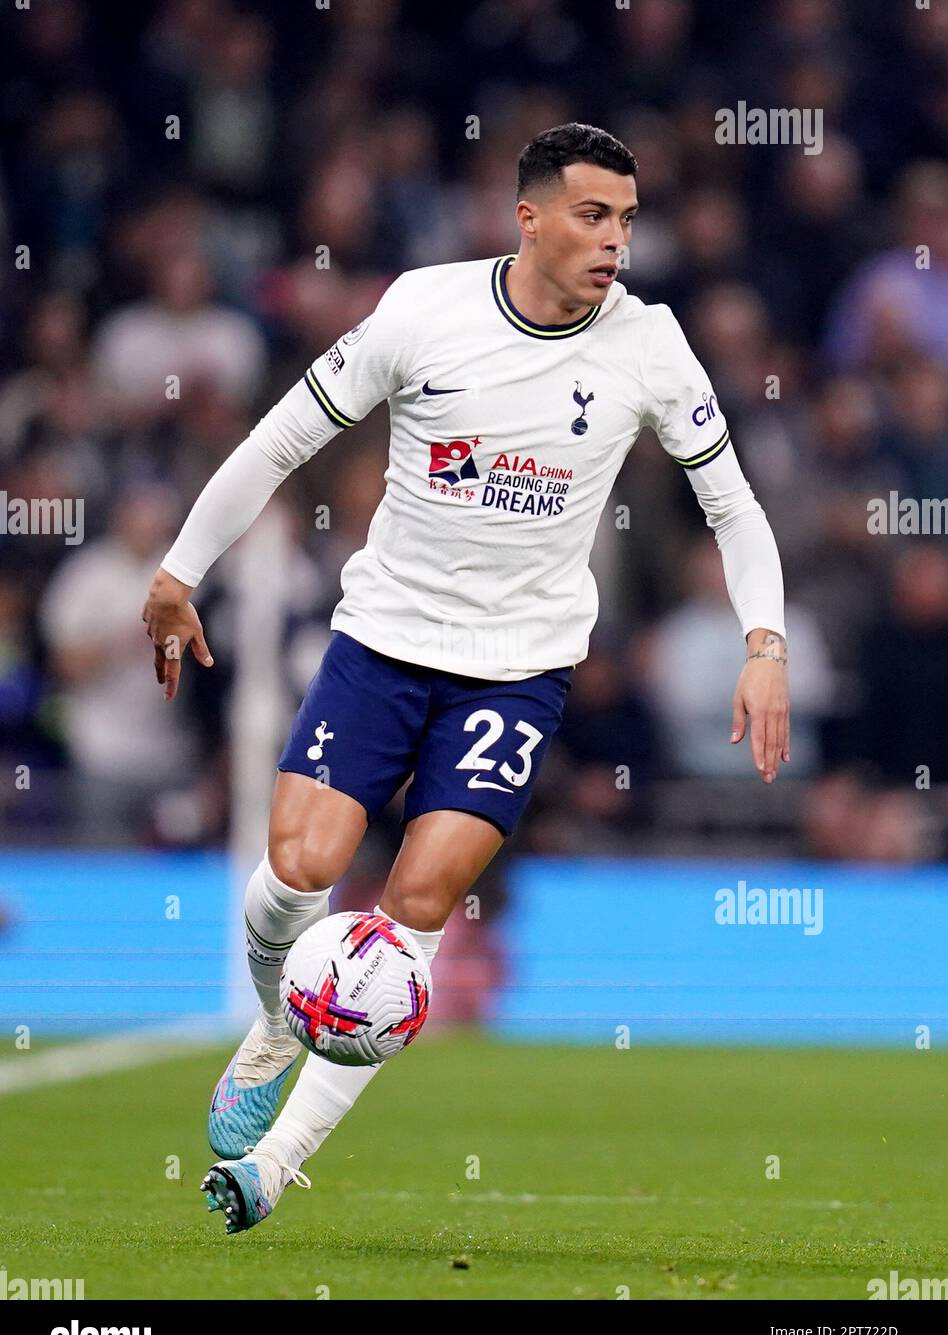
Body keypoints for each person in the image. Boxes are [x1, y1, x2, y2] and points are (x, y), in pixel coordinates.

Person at [142, 123, 790, 1234]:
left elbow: (730, 503)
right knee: (299, 872)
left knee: (417, 910)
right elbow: (280, 440)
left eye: (628, 220)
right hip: (385, 641)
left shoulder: (650, 347)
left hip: (517, 671)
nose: (615, 243)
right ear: (526, 217)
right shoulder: (423, 312)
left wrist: (765, 644)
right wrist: (176, 571)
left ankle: (277, 1162)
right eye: (593, 216)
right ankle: (272, 1024)